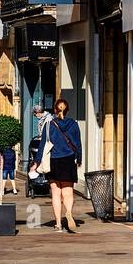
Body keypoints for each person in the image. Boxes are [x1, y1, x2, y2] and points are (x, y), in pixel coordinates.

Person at [34, 96, 83, 232]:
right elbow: (78, 144)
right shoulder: (73, 124)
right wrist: (79, 159)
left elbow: (43, 145)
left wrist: (36, 162)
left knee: (56, 193)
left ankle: (58, 224)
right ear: (67, 110)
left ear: (55, 110)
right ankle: (68, 212)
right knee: (68, 193)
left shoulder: (49, 125)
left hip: (53, 161)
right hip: (68, 160)